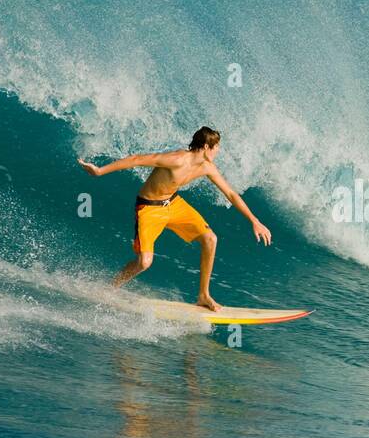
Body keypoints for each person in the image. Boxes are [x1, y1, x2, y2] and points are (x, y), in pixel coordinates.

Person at [77, 126, 271, 309]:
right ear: (205, 147)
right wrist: (100, 171)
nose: (218, 152)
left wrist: (254, 221)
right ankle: (109, 289)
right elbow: (136, 159)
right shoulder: (177, 159)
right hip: (150, 208)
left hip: (173, 204)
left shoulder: (207, 167)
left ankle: (203, 295)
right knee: (144, 262)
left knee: (210, 238)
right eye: (216, 148)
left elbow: (231, 194)